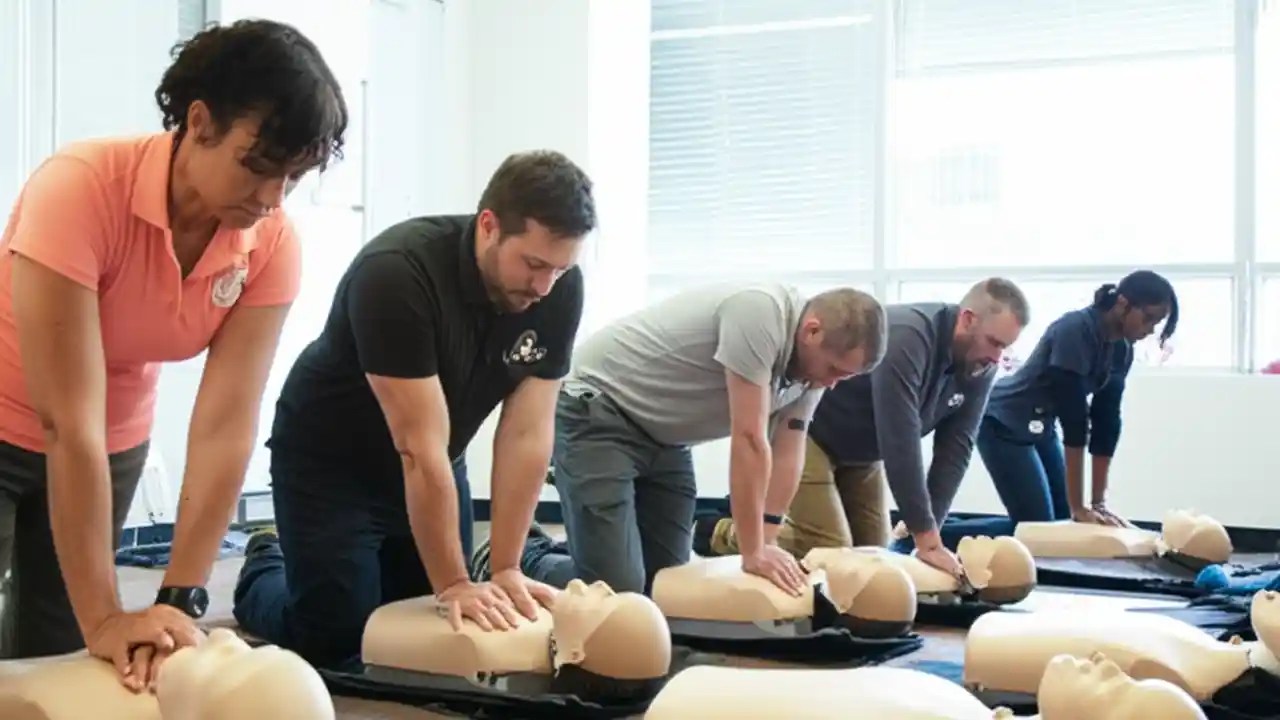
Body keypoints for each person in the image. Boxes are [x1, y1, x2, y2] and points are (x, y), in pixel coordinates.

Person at [0, 18, 346, 689]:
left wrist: (179, 598)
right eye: (258, 165)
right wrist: (108, 616)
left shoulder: (271, 244)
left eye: (294, 178)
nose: (272, 198)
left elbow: (224, 427)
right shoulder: (80, 186)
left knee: (59, 658)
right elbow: (66, 418)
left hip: (110, 437)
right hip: (22, 412)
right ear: (200, 122)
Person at [231, 151, 596, 673]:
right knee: (342, 640)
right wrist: (454, 581)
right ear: (489, 226)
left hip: (436, 460)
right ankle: (265, 560)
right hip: (331, 465)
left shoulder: (558, 289)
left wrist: (506, 566)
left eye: (560, 270)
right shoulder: (397, 273)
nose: (544, 288)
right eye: (534, 265)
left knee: (416, 628)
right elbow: (416, 446)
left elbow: (527, 435)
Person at [472, 283, 888, 597]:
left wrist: (770, 539)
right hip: (598, 412)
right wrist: (751, 550)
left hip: (666, 441)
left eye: (845, 377)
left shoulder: (813, 369)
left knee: (667, 584)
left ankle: (593, 545)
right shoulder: (759, 313)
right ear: (812, 331)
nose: (833, 384)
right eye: (835, 370)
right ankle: (515, 556)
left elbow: (789, 447)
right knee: (619, 592)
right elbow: (749, 439)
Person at [698, 279, 1029, 574]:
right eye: (995, 343)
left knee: (874, 557)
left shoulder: (980, 366)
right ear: (968, 319)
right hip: (813, 435)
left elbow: (956, 448)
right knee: (830, 546)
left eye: (1006, 347)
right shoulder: (911, 335)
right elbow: (900, 440)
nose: (998, 357)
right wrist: (924, 538)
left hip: (864, 452)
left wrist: (931, 537)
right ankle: (722, 532)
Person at [961, 271, 1177, 536]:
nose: (1150, 330)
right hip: (1002, 421)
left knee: (1063, 524)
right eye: (1148, 318)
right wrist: (1079, 506)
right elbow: (1074, 418)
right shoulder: (1074, 329)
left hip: (1041, 426)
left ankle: (930, 530)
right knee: (1037, 528)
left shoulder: (1122, 349)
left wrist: (1098, 503)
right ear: (1123, 304)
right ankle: (924, 534)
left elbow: (1105, 422)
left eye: (1157, 323)